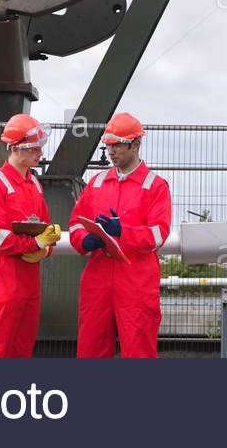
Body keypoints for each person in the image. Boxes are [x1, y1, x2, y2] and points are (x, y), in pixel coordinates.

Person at [68, 112, 171, 358]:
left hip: (136, 282)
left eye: (117, 145)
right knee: (90, 348)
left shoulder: (155, 186)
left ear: (135, 144)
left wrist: (122, 232)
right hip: (97, 278)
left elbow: (158, 234)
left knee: (138, 350)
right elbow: (74, 223)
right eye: (108, 146)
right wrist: (84, 239)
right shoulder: (96, 183)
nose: (111, 152)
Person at [0, 113, 61, 358]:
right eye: (33, 148)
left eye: (39, 148)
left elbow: (45, 230)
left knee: (21, 351)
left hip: (28, 285)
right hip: (2, 286)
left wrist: (45, 247)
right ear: (15, 148)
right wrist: (37, 243)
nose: (40, 154)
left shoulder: (34, 184)